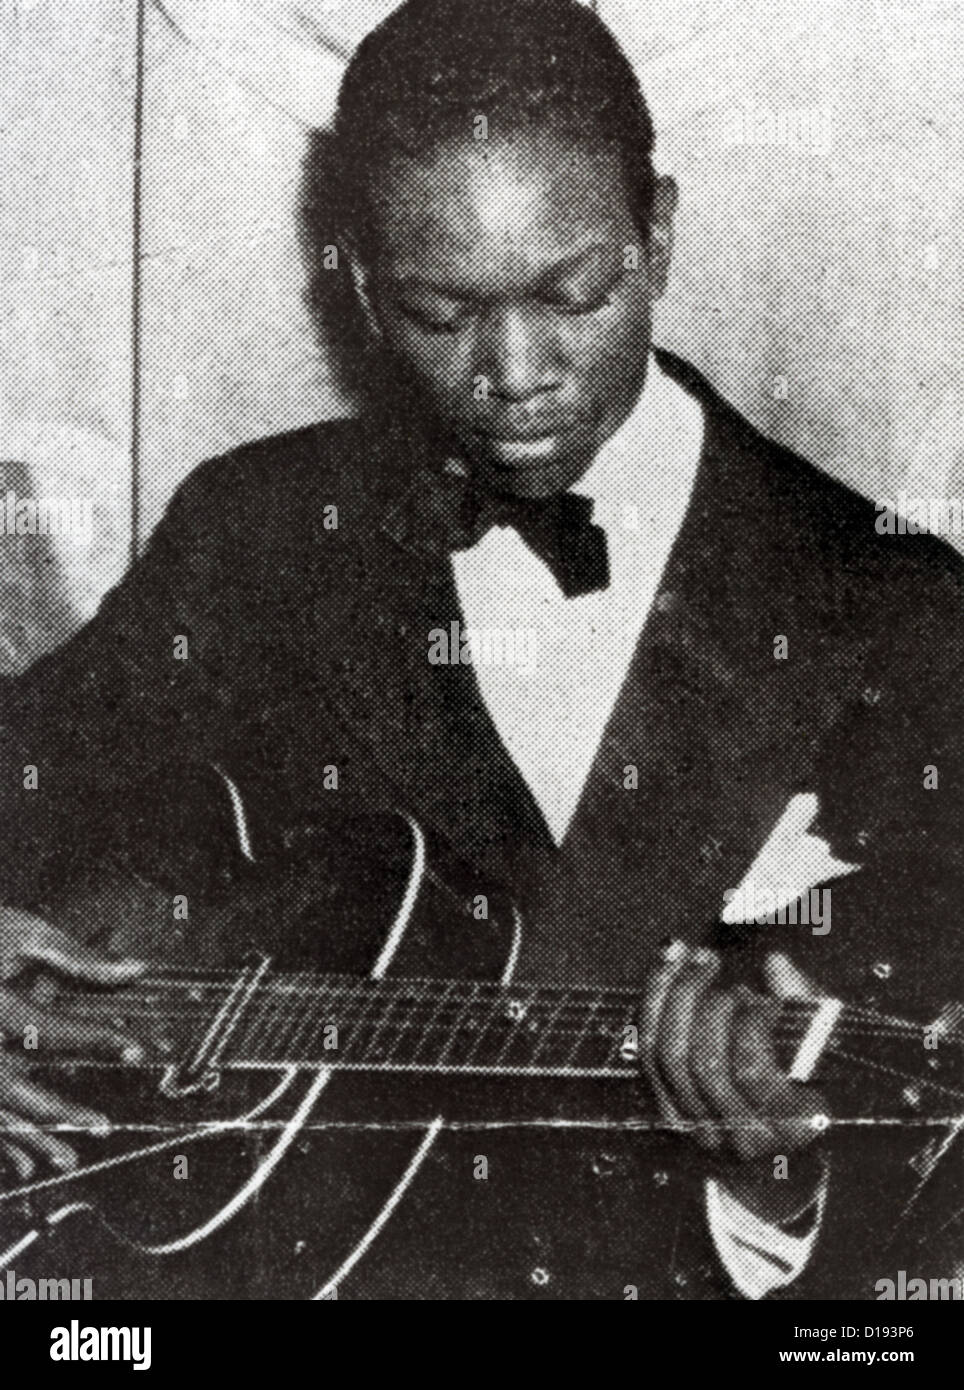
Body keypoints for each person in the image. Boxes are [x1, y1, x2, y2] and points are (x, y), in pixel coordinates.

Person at [0, 0, 960, 1300]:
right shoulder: (259, 530)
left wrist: (773, 1175)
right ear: (350, 278)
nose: (514, 373)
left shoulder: (898, 608)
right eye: (438, 311)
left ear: (658, 232)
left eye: (573, 295)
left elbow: (916, 1183)